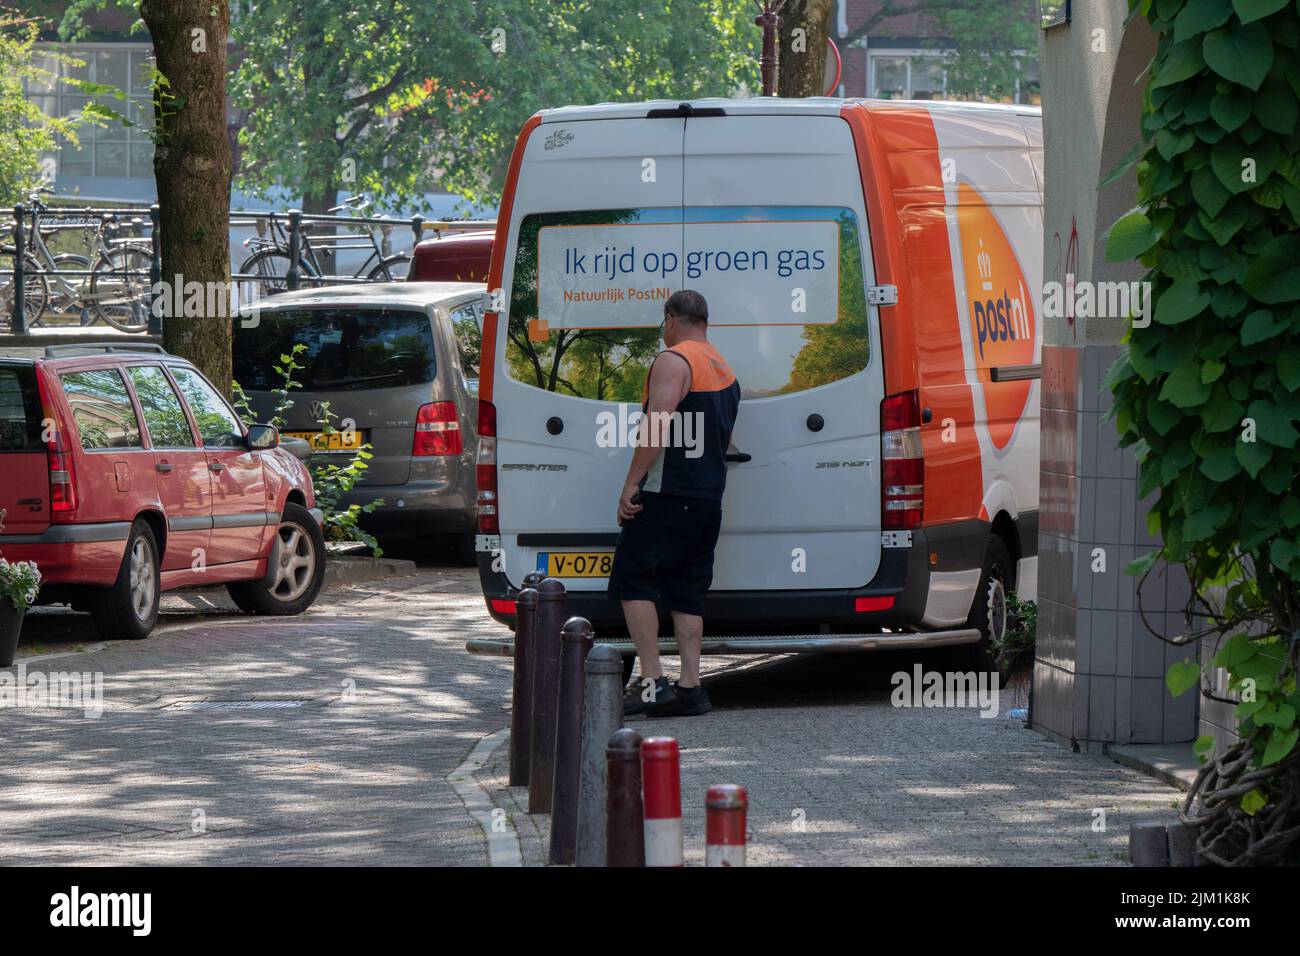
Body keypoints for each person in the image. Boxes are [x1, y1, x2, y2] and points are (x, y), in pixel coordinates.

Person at [606, 289, 740, 717]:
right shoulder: (723, 367)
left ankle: (652, 684)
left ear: (670, 319)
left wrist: (632, 482)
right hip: (706, 499)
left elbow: (658, 420)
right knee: (688, 591)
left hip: (667, 493)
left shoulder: (673, 361)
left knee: (633, 579)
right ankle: (691, 688)